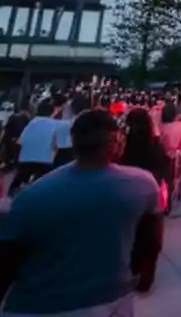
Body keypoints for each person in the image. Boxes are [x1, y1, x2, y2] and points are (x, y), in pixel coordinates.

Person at [0, 109, 163, 315]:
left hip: (37, 305)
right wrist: (142, 276)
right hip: (112, 300)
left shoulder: (31, 197)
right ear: (118, 142)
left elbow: (7, 260)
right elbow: (152, 242)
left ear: (72, 142)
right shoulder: (142, 185)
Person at [119, 107, 170, 292]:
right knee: (151, 238)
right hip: (152, 194)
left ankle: (132, 269)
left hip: (127, 194)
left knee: (131, 235)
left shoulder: (123, 145)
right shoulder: (154, 144)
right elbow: (164, 165)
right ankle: (146, 277)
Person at [10, 99, 59, 193]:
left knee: (18, 182)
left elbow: (20, 142)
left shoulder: (31, 123)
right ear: (52, 112)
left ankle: (10, 196)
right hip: (46, 161)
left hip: (26, 160)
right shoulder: (55, 124)